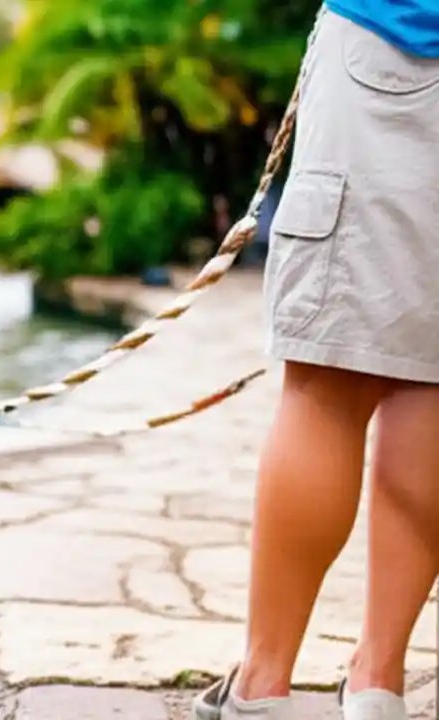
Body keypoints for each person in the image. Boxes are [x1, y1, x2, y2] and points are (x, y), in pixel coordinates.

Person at [193, 3, 439, 720]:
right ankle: (376, 682)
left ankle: (262, 685)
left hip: (395, 52)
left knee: (327, 386)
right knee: (430, 376)